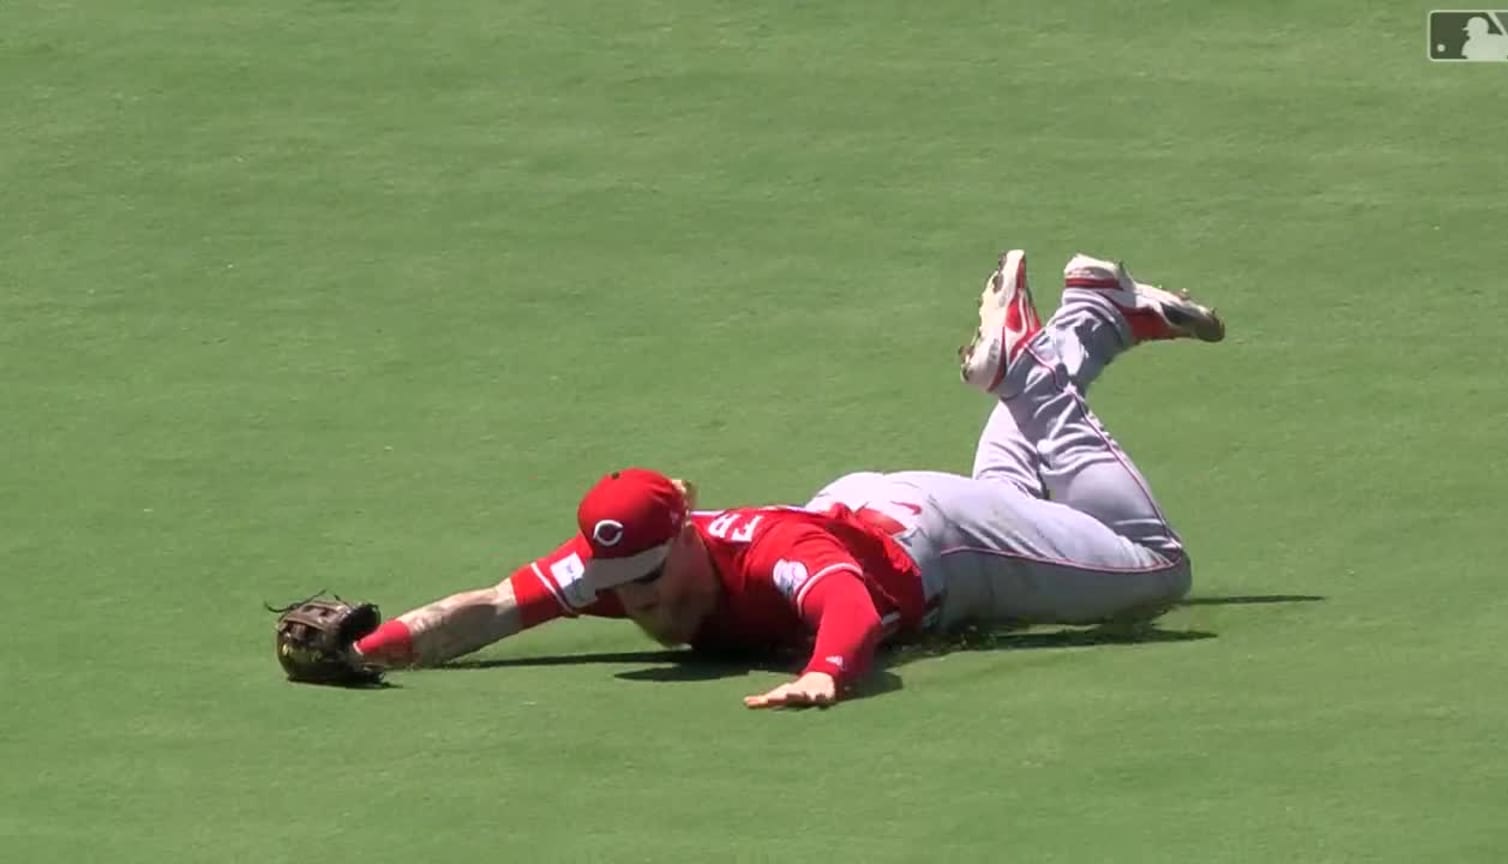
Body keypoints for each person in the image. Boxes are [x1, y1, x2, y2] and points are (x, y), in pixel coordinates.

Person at [338, 249, 1225, 708]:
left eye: (648, 581)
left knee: (1155, 570)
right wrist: (363, 651)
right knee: (1037, 503)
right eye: (621, 589)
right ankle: (1092, 314)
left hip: (944, 542)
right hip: (888, 512)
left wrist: (829, 673)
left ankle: (1026, 367)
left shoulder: (771, 554)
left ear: (684, 535)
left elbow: (842, 600)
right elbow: (493, 608)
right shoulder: (618, 566)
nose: (639, 606)